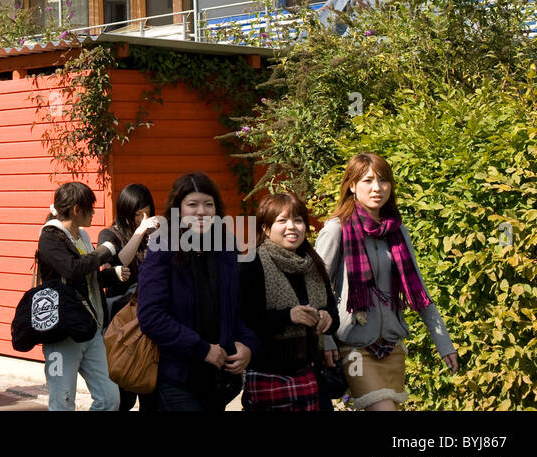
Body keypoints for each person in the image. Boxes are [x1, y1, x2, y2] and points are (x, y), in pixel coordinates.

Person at [315, 152, 458, 411]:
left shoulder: (397, 231)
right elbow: (315, 287)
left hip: (392, 346)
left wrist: (444, 344)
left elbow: (419, 290)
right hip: (354, 345)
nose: (377, 188)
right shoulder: (337, 228)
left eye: (383, 181)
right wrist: (324, 339)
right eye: (367, 180)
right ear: (351, 185)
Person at [136, 172, 258, 412]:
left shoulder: (225, 247)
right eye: (192, 204)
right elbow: (151, 316)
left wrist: (247, 345)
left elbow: (238, 309)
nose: (201, 211)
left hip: (219, 379)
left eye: (208, 204)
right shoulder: (163, 249)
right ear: (178, 210)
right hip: (177, 378)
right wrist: (202, 349)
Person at [239, 191, 339, 411]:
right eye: (282, 220)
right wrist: (287, 316)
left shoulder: (314, 264)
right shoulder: (252, 264)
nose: (292, 227)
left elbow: (334, 314)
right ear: (265, 229)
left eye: (298, 220)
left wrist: (326, 317)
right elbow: (245, 321)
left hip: (312, 375)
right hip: (269, 379)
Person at [37, 182, 122, 411]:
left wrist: (112, 274)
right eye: (90, 208)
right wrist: (105, 252)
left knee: (110, 399)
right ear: (76, 209)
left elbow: (86, 278)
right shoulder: (50, 236)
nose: (94, 213)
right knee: (62, 402)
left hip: (91, 329)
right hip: (62, 334)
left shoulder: (82, 235)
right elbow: (72, 269)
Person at [96, 184, 163, 411]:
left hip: (150, 323)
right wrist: (140, 233)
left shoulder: (153, 234)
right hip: (122, 325)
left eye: (147, 212)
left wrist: (166, 234)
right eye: (137, 214)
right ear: (125, 212)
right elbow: (118, 263)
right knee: (122, 395)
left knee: (150, 391)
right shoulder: (110, 235)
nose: (143, 218)